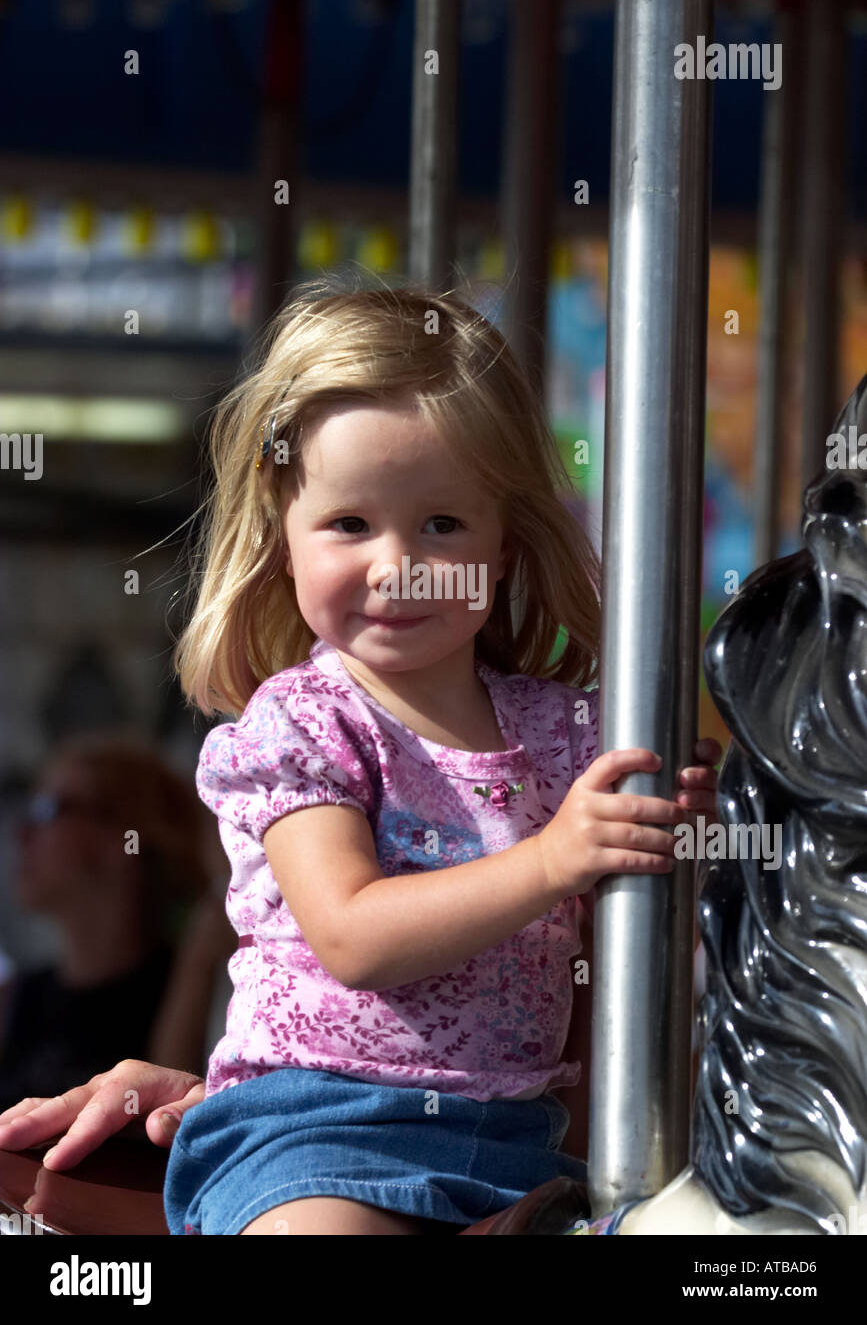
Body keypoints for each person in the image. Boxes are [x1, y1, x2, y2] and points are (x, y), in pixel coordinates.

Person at [0, 277, 721, 1235]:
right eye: (349, 524)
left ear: (503, 545)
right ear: (283, 540)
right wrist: (553, 859)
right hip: (313, 1131)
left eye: (442, 524)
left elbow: (631, 945)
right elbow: (352, 934)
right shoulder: (301, 728)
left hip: (518, 1141)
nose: (397, 564)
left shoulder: (566, 734)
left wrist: (687, 827)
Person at [0, 734, 231, 1107]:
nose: (23, 833)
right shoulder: (12, 1000)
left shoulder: (203, 983)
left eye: (48, 810)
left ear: (121, 841)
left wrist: (198, 965)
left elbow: (167, 1124)